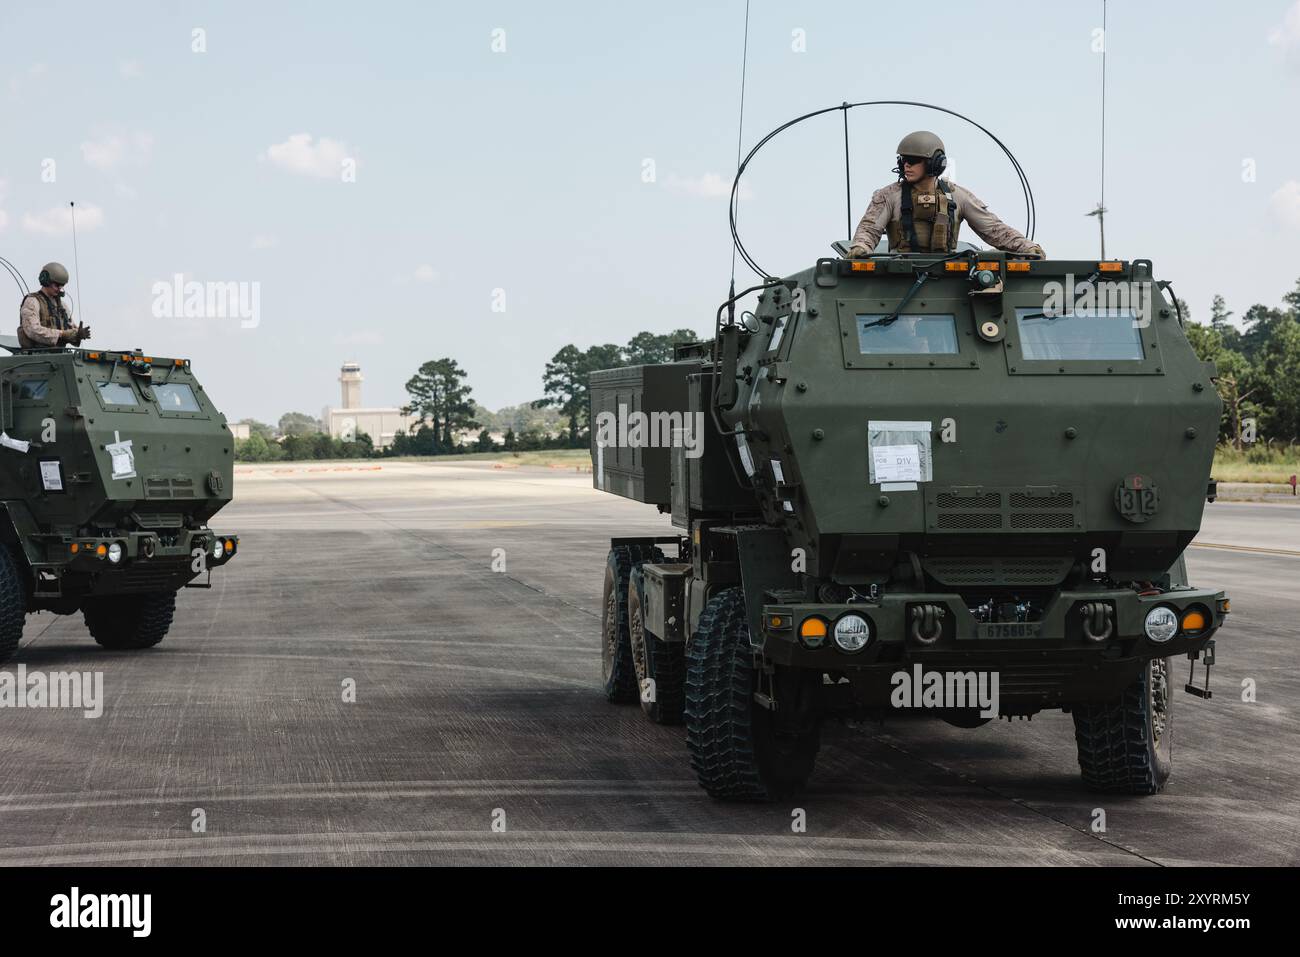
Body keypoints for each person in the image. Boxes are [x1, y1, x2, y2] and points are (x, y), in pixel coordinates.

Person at [848, 131, 1046, 258]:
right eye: (903, 160)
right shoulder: (889, 196)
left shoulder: (958, 196)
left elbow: (993, 229)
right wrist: (860, 248)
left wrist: (1026, 247)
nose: (906, 165)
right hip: (900, 275)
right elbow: (869, 230)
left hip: (948, 277)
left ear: (934, 163)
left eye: (913, 160)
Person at [18, 262, 90, 349]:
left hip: (58, 353)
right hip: (36, 354)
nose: (59, 289)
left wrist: (77, 334)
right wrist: (61, 334)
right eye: (56, 285)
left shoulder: (62, 306)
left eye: (62, 286)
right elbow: (32, 330)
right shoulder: (32, 302)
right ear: (45, 280)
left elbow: (70, 328)